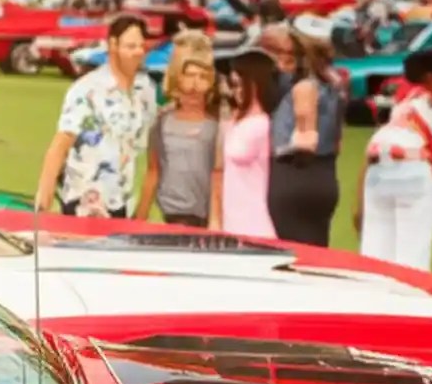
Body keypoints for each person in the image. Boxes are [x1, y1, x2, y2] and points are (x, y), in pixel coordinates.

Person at [354, 49, 432, 271]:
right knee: (413, 252)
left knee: (375, 251)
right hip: (413, 167)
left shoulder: (402, 99)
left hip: (378, 170)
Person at [36, 14, 157, 218]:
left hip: (121, 203)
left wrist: (142, 211)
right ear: (113, 45)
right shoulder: (87, 90)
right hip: (83, 203)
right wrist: (42, 204)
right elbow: (59, 146)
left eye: (140, 46)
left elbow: (151, 156)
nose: (137, 52)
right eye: (130, 46)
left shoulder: (146, 91)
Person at [261, 18, 345, 247]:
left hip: (293, 175)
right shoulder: (334, 86)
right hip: (325, 177)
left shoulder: (303, 87)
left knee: (291, 256)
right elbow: (338, 144)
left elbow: (306, 138)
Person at [134, 31, 222, 228]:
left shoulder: (218, 122)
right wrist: (139, 218)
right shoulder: (163, 121)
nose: (193, 84)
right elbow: (153, 171)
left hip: (206, 213)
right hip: (174, 212)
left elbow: (218, 174)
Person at [220, 48, 278, 237]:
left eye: (238, 84)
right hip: (233, 216)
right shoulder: (239, 121)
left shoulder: (261, 124)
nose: (235, 91)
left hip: (251, 220)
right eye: (233, 84)